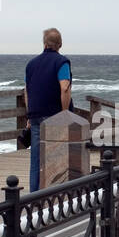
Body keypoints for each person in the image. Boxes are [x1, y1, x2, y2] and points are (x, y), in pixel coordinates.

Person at [23, 28, 72, 190]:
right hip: (54, 115)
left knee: (36, 159)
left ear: (44, 43)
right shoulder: (61, 62)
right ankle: (53, 196)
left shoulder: (31, 64)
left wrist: (29, 116)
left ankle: (34, 196)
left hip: (36, 114)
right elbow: (64, 88)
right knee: (56, 158)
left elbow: (27, 91)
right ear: (60, 44)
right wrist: (65, 114)